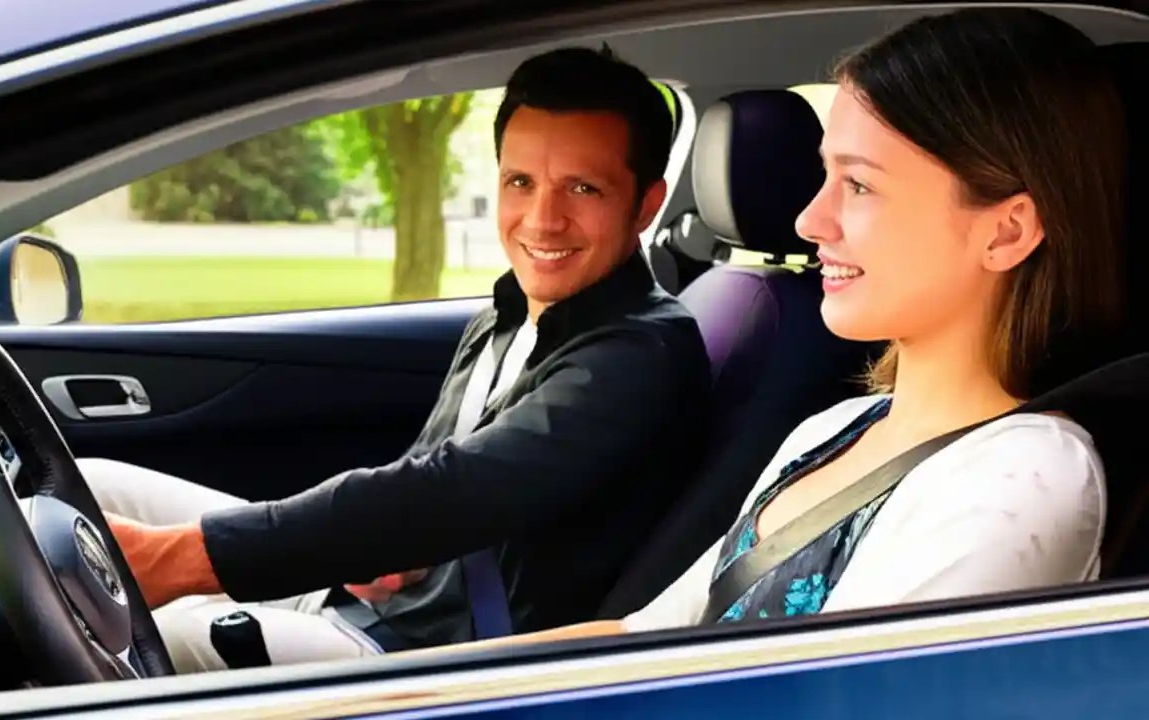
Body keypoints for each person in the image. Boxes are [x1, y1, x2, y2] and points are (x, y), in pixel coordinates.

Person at [413, 6, 1127, 652]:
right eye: (824, 178)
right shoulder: (834, 430)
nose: (809, 221)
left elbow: (832, 701)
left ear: (1006, 232)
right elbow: (640, 638)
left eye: (860, 185)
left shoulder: (1022, 477)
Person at [90, 46, 713, 672]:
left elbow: (458, 489)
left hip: (441, 652)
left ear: (646, 204)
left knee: (135, 638)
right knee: (91, 485)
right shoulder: (510, 311)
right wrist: (374, 552)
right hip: (379, 599)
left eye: (583, 188)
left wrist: (173, 560)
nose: (543, 220)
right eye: (519, 182)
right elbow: (428, 473)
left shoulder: (641, 354)